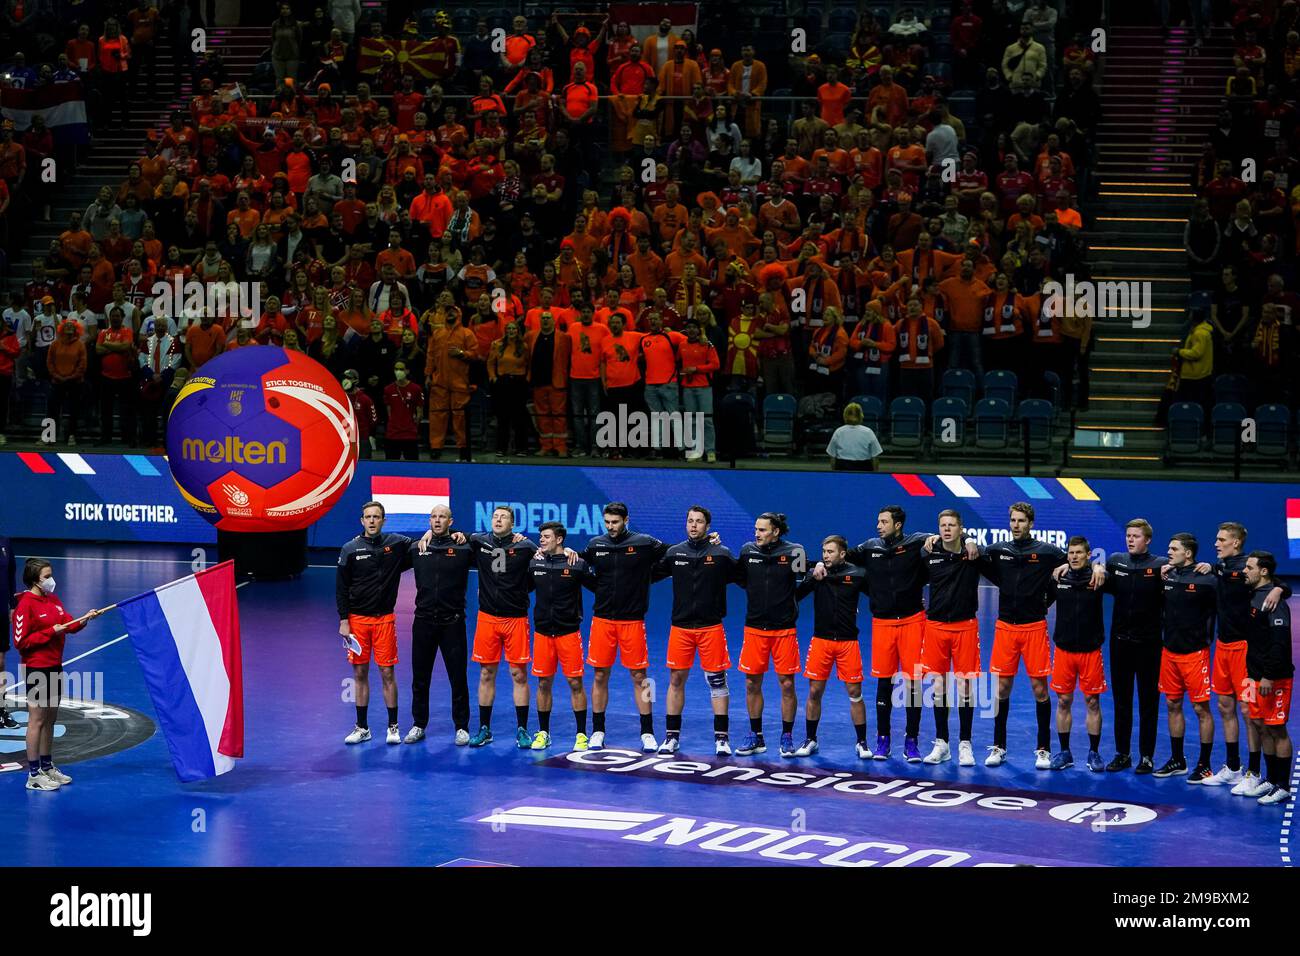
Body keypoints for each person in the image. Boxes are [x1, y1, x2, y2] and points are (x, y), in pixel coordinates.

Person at [978, 501, 1103, 769]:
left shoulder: (1047, 552)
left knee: (1040, 689)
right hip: (1005, 627)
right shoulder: (998, 550)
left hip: (1034, 627)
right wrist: (965, 540)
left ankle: (1043, 749)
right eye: (1013, 520)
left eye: (1021, 521)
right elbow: (975, 555)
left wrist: (1098, 567)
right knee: (1002, 688)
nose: (1016, 525)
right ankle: (999, 746)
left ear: (1031, 523)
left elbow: (1077, 561)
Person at [1181, 522, 1288, 788]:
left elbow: (1273, 583)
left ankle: (1254, 772)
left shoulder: (1247, 568)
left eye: (1221, 540)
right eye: (1217, 539)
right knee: (1224, 706)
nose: (1216, 543)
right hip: (1222, 646)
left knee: (1248, 712)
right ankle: (1233, 767)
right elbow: (1216, 573)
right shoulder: (1221, 567)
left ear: (1236, 542)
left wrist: (1280, 588)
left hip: (1243, 648)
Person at [581, 502, 672, 751]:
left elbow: (676, 553)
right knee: (600, 675)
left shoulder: (644, 542)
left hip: (633, 621)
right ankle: (597, 731)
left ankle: (648, 732)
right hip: (602, 620)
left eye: (615, 522)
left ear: (626, 520)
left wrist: (647, 578)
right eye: (607, 522)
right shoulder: (595, 544)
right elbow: (578, 564)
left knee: (641, 677)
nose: (610, 527)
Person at [652, 505, 737, 756]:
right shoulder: (674, 553)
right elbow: (648, 574)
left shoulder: (721, 554)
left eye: (699, 521)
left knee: (717, 682)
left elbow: (746, 576)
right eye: (690, 520)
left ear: (707, 526)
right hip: (681, 628)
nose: (693, 525)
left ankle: (722, 739)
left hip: (711, 627)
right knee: (676, 680)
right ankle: (671, 737)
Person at [13, 558, 103, 790]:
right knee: (37, 720)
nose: (51, 580)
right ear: (35, 580)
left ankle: (47, 766)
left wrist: (85, 618)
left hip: (55, 665)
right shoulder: (25, 605)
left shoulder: (52, 600)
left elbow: (68, 624)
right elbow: (20, 642)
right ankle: (34, 775)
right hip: (36, 668)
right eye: (47, 576)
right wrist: (50, 632)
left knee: (50, 719)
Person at [336, 502, 413, 745]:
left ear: (383, 520)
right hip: (357, 621)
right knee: (359, 673)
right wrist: (344, 620)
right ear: (362, 520)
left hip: (384, 620)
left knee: (387, 672)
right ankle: (362, 728)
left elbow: (420, 545)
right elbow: (341, 588)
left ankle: (393, 726)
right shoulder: (350, 549)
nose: (372, 521)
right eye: (368, 517)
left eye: (376, 517)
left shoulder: (396, 543)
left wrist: (436, 534)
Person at [463, 506, 538, 748]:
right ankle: (484, 728)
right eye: (495, 516)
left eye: (503, 517)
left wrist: (566, 550)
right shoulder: (479, 541)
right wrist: (427, 534)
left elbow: (547, 557)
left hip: (515, 619)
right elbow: (453, 536)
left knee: (519, 674)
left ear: (512, 524)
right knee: (486, 673)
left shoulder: (525, 546)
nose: (498, 520)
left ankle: (522, 729)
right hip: (487, 618)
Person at [1097, 519, 1167, 774]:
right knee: (1121, 702)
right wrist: (1096, 567)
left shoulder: (1160, 566)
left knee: (1149, 703)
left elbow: (1190, 573)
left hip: (1149, 646)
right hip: (1120, 645)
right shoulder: (1116, 561)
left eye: (1136, 536)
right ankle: (1122, 754)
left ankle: (1146, 756)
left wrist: (1205, 566)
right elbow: (1095, 575)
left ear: (1147, 540)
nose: (1130, 539)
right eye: (1128, 535)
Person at [734, 512, 806, 757]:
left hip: (784, 629)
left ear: (776, 531)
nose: (757, 534)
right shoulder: (747, 551)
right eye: (756, 529)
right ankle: (756, 736)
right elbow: (741, 579)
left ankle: (787, 736)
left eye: (762, 530)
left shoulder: (795, 551)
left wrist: (787, 604)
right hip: (754, 628)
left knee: (787, 684)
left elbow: (803, 582)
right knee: (751, 683)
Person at [793, 535, 871, 757]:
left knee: (855, 693)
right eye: (824, 552)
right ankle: (810, 740)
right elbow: (795, 596)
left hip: (848, 643)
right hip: (821, 641)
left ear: (842, 553)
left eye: (830, 552)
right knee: (814, 691)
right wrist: (812, 575)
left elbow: (880, 596)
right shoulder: (818, 574)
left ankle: (862, 742)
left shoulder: (858, 574)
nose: (826, 556)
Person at [404, 504, 473, 746]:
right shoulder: (417, 547)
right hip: (423, 622)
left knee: (458, 677)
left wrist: (464, 534)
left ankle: (462, 727)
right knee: (420, 677)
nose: (437, 520)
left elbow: (490, 543)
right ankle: (418, 724)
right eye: (433, 517)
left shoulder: (464, 547)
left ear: (450, 521)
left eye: (442, 517)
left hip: (453, 623)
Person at [919, 509, 983, 766]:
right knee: (939, 687)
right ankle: (942, 743)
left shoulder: (974, 554)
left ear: (960, 528)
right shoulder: (929, 553)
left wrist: (969, 540)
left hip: (965, 626)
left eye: (952, 525)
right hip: (935, 626)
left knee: (965, 687)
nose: (947, 529)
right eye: (943, 525)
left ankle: (965, 744)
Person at [1153, 533, 1218, 782]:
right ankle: (1177, 760)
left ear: (1188, 553)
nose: (1168, 552)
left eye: (1174, 549)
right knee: (1172, 704)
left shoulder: (1207, 580)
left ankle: (1204, 765)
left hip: (1195, 654)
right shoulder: (1168, 575)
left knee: (1201, 708)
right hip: (1169, 652)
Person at [528, 521, 592, 751]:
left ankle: (581, 734)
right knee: (543, 683)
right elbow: (521, 587)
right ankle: (543, 732)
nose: (541, 540)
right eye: (541, 537)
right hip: (543, 633)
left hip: (569, 632)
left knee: (575, 683)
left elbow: (599, 586)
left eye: (546, 536)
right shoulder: (534, 562)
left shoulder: (576, 563)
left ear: (559, 539)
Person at [1047, 537, 1107, 772]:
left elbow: (1112, 572)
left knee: (1092, 702)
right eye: (1071, 553)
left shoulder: (1098, 578)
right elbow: (1042, 600)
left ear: (1088, 555)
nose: (1074, 557)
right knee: (1063, 701)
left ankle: (1094, 752)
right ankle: (1065, 752)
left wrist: (1099, 567)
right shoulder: (1059, 578)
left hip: (1090, 652)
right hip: (1064, 651)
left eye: (1079, 553)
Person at [1241, 551, 1294, 805]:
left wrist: (1269, 676)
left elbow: (1279, 643)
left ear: (1263, 571)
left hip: (1274, 678)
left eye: (1249, 567)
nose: (1244, 571)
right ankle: (1272, 780)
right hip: (1254, 675)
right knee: (1262, 726)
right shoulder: (1255, 594)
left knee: (1276, 728)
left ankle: (1283, 785)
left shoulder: (1275, 602)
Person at [826, 402, 882, 471]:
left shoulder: (838, 432)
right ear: (860, 415)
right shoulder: (868, 432)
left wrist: (835, 473)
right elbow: (875, 457)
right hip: (864, 469)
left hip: (843, 469)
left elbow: (832, 457)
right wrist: (875, 474)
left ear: (845, 415)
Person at [0, 536, 20, 729]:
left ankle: (0, 709)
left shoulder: (5, 543)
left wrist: (13, 605)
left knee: (0, 662)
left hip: (0, 611)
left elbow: (11, 574)